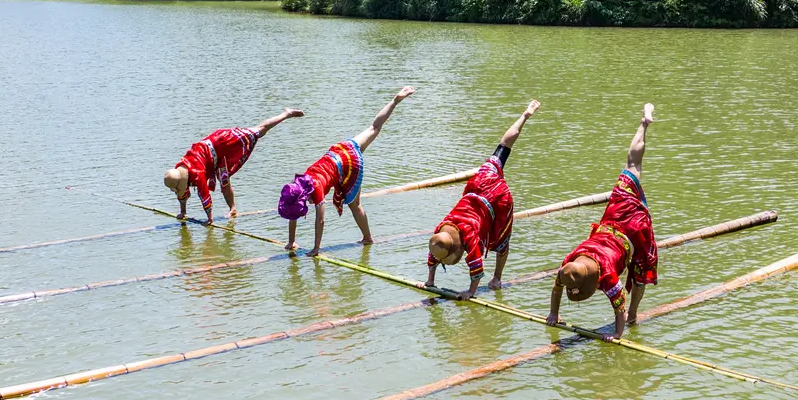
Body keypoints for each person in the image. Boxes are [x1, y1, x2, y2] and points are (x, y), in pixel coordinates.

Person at [547, 104, 656, 341]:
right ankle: (644, 123)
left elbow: (619, 306)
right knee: (632, 164)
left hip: (634, 231)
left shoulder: (607, 276)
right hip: (616, 214)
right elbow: (557, 288)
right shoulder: (569, 265)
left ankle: (634, 316)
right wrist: (553, 314)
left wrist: (617, 333)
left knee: (639, 273)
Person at [425, 100, 541, 300]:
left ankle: (497, 278)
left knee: (501, 241)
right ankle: (525, 115)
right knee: (503, 148)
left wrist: (470, 292)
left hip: (497, 198)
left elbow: (476, 267)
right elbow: (434, 254)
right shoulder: (441, 229)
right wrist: (430, 281)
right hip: (480, 182)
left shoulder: (468, 235)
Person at [279, 87, 415, 255]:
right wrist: (291, 241)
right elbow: (292, 212)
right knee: (374, 128)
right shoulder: (297, 186)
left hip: (349, 164)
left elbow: (320, 220)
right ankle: (395, 100)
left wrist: (316, 248)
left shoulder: (316, 190)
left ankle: (368, 238)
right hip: (340, 150)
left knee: (354, 205)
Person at [164, 108, 304, 225]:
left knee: (259, 131)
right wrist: (183, 212)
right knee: (224, 180)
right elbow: (181, 192)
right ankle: (233, 209)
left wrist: (210, 219)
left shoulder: (197, 173)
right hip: (215, 158)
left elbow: (204, 195)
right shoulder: (180, 169)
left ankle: (286, 113)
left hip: (224, 142)